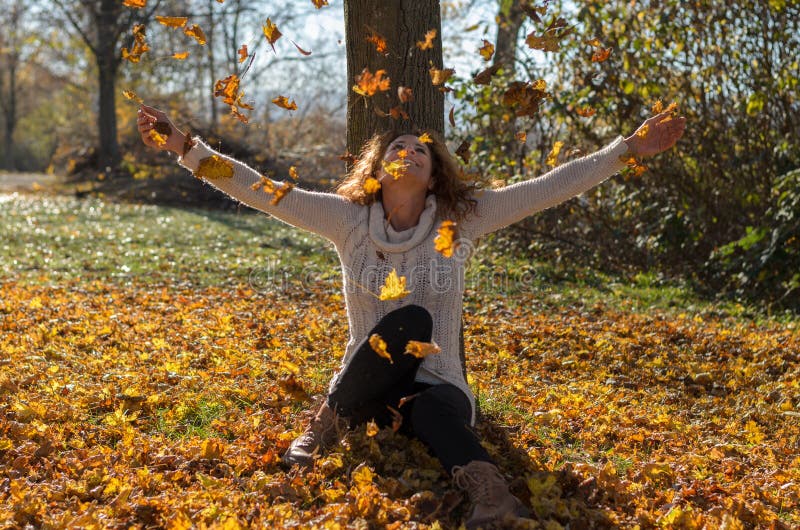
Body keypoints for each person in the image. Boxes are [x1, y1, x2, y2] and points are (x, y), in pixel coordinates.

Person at [137, 105, 685, 529]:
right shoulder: (348, 219)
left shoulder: (461, 219)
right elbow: (258, 189)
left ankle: (490, 493)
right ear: (378, 168)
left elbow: (549, 188)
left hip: (438, 385)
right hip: (365, 390)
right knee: (403, 325)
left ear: (434, 172)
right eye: (397, 146)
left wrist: (627, 149)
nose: (410, 150)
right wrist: (185, 147)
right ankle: (326, 423)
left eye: (422, 149)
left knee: (430, 394)